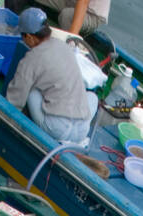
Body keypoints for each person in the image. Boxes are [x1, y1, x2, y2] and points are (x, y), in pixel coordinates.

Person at [6, 8, 98, 145]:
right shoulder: (65, 47)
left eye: (23, 36)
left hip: (57, 129)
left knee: (30, 88)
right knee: (92, 96)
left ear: (30, 37)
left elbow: (15, 100)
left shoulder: (31, 59)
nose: (23, 40)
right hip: (82, 130)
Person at [44, 0, 111, 37]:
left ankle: (72, 47)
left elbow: (83, 2)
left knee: (68, 15)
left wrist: (72, 36)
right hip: (71, 2)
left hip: (91, 13)